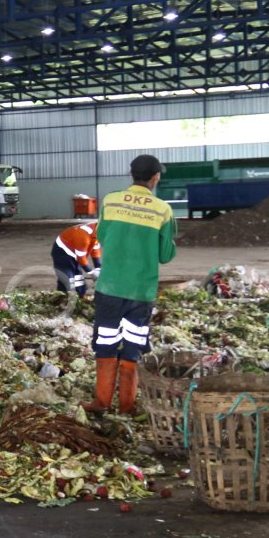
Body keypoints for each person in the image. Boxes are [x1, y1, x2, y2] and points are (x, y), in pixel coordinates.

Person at [83, 154, 176, 415]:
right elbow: (165, 255)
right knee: (133, 345)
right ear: (155, 178)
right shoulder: (162, 210)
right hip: (140, 292)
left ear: (131, 175)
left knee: (106, 343)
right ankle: (127, 407)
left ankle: (101, 403)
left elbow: (102, 236)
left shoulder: (111, 201)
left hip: (110, 289)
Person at [51, 221, 101, 297]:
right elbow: (81, 258)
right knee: (68, 280)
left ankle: (80, 296)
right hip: (62, 252)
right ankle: (61, 298)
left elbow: (95, 250)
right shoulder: (83, 235)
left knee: (78, 280)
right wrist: (92, 273)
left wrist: (98, 268)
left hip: (75, 252)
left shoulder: (96, 232)